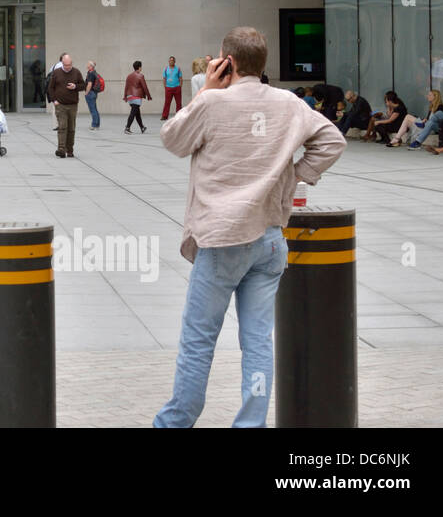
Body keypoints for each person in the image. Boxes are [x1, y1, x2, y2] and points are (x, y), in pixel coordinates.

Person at [154, 27, 345, 428]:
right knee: (258, 342)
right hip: (270, 240)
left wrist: (205, 91)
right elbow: (332, 141)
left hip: (222, 238)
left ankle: (174, 423)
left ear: (228, 62)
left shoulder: (213, 104)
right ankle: (250, 424)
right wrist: (293, 175)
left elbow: (172, 139)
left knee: (198, 342)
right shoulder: (290, 103)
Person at [48, 54, 85, 158]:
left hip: (73, 104)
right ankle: (61, 149)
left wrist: (75, 86)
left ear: (71, 63)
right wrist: (54, 100)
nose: (67, 67)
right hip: (60, 105)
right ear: (62, 63)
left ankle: (70, 150)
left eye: (69, 65)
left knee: (71, 128)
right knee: (62, 126)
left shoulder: (76, 72)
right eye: (65, 65)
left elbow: (83, 85)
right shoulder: (56, 72)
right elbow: (50, 88)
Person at [123, 60, 152, 134]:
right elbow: (145, 87)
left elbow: (126, 87)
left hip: (130, 96)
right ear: (139, 67)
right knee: (133, 112)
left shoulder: (129, 76)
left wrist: (125, 96)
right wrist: (148, 96)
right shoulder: (140, 76)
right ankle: (127, 128)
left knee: (137, 113)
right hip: (136, 97)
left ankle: (142, 127)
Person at [161, 55, 183, 120]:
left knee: (178, 103)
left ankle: (179, 116)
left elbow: (181, 78)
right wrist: (165, 86)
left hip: (177, 87)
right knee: (167, 102)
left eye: (172, 60)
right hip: (168, 88)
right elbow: (164, 78)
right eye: (170, 60)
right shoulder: (166, 69)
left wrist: (180, 86)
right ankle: (164, 116)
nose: (171, 62)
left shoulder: (178, 69)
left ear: (174, 61)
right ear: (168, 61)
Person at [84, 60, 101, 130]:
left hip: (90, 93)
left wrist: (86, 93)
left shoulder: (91, 74)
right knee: (95, 109)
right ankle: (97, 124)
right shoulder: (94, 73)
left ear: (91, 66)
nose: (87, 65)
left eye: (88, 64)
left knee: (92, 109)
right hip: (94, 93)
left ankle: (94, 125)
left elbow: (89, 84)